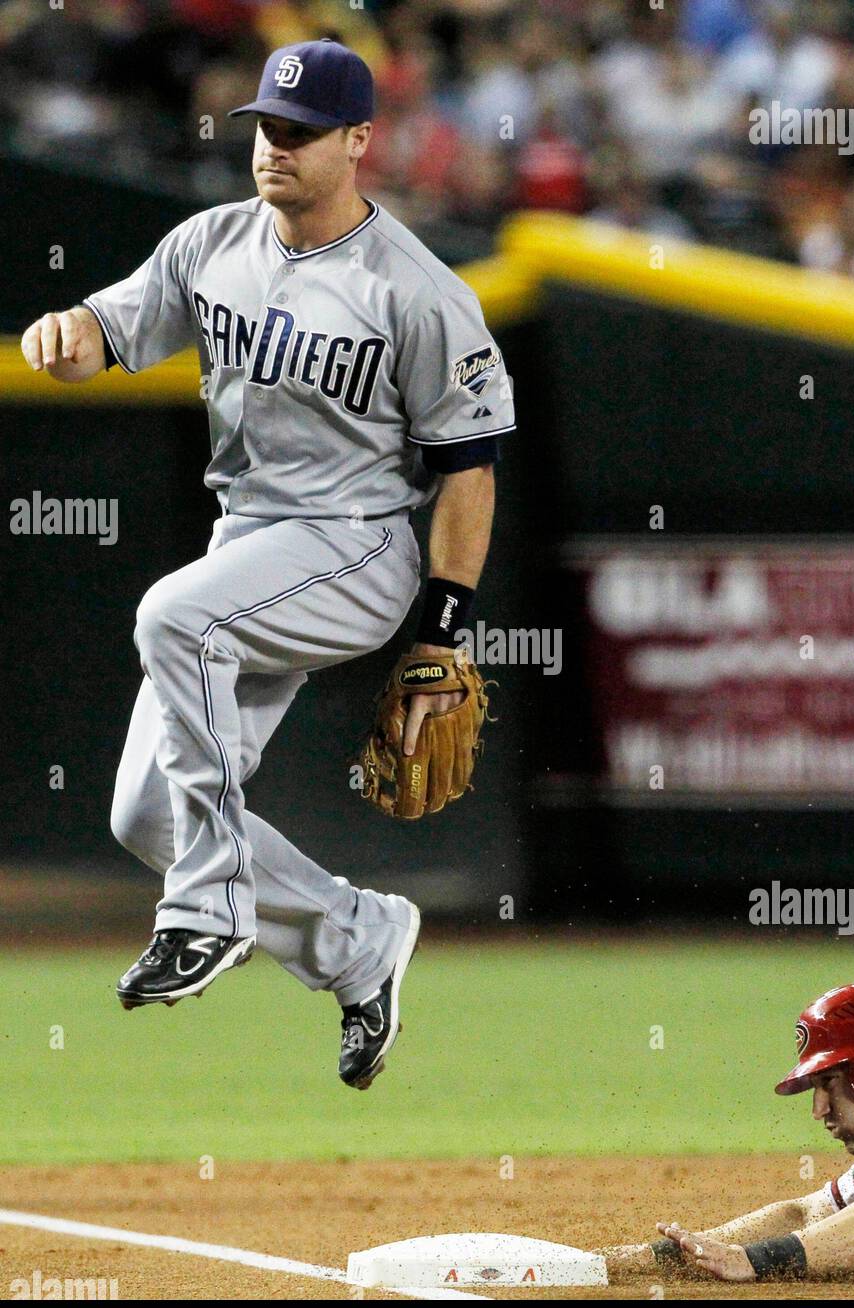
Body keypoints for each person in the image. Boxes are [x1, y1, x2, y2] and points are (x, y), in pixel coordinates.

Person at [20, 38, 515, 1091]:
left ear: (358, 142)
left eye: (298, 132)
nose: (274, 148)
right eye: (264, 128)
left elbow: (468, 470)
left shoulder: (418, 291)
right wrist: (64, 335)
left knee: (172, 618)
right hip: (249, 545)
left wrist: (438, 630)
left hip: (360, 546)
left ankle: (208, 907)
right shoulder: (211, 244)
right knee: (141, 814)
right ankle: (353, 937)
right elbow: (109, 328)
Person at [605, 982, 854, 1281]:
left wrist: (753, 1261)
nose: (818, 1110)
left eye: (829, 1084)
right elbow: (804, 1215)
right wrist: (640, 1258)